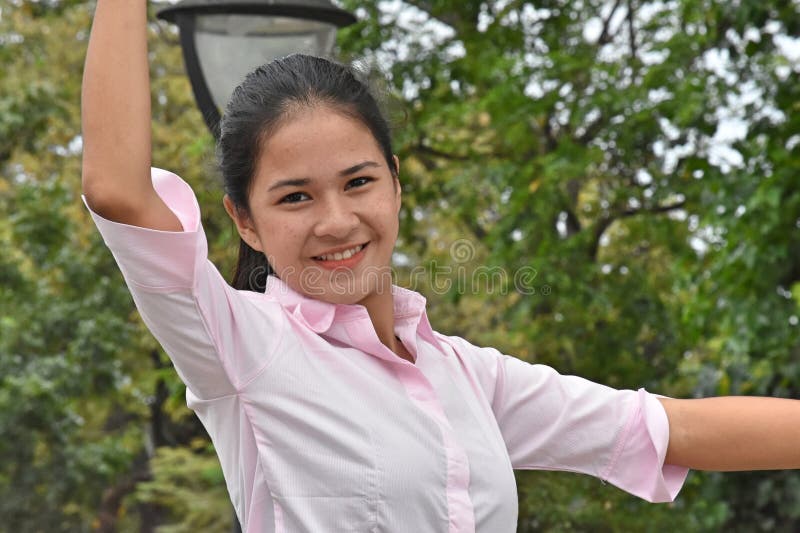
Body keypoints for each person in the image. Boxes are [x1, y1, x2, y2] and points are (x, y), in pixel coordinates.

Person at [81, 2, 800, 532]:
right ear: (246, 221)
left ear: (395, 183)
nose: (336, 219)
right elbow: (116, 187)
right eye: (295, 196)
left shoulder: (461, 375)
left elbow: (666, 428)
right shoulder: (244, 348)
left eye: (358, 182)